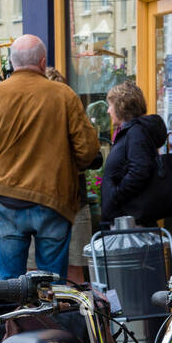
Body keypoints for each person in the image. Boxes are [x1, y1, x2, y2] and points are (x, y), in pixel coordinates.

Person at [0, 34, 100, 279]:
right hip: (53, 199)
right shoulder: (64, 95)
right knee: (51, 286)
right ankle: (46, 317)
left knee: (10, 283)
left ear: (11, 62)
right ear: (42, 62)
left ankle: (14, 317)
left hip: (8, 200)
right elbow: (88, 151)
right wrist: (67, 172)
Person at [45, 65, 102, 284]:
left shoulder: (75, 120)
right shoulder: (33, 124)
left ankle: (71, 317)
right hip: (47, 205)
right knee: (38, 274)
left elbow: (94, 156)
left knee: (73, 273)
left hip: (73, 205)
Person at [99, 81, 169, 227]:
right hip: (125, 220)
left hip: (131, 223)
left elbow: (140, 170)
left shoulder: (136, 132)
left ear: (121, 107)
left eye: (110, 105)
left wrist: (116, 195)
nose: (108, 111)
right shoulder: (129, 132)